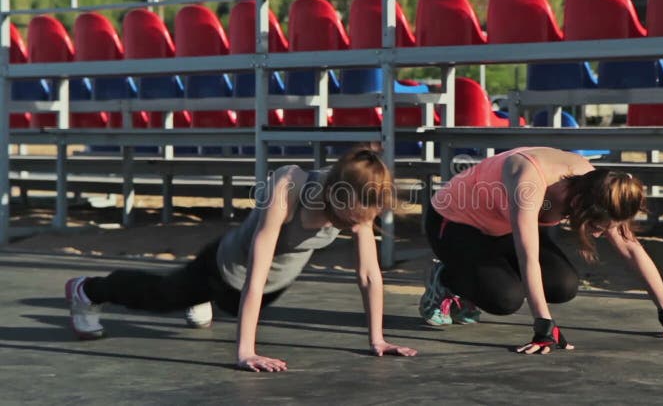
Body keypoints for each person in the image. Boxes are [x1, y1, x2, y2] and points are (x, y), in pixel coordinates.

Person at [65, 147, 418, 371]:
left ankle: (206, 301)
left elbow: (369, 275)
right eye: (351, 218)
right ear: (335, 194)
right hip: (225, 268)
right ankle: (89, 290)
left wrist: (378, 340)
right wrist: (245, 352)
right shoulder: (290, 185)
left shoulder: (359, 200)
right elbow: (256, 271)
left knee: (234, 307)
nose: (356, 225)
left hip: (271, 286)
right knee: (162, 297)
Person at [419, 146, 663, 354]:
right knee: (505, 299)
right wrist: (544, 327)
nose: (598, 232)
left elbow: (630, 247)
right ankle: (448, 278)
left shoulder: (595, 183)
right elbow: (527, 256)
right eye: (597, 225)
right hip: (455, 222)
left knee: (563, 285)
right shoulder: (529, 182)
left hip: (501, 225)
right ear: (582, 205)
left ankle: (479, 275)